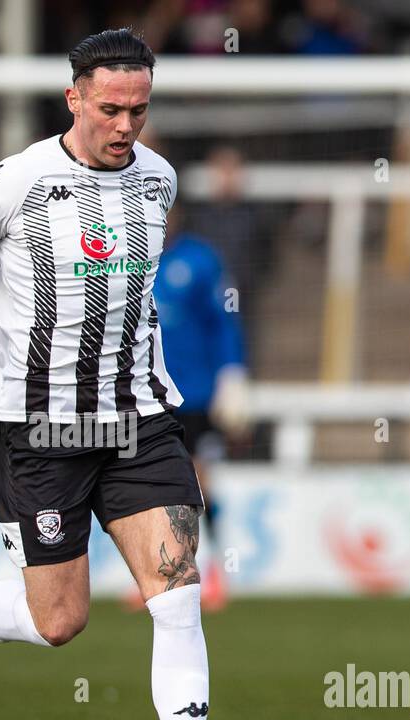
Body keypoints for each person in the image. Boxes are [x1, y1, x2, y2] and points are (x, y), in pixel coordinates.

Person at [0, 28, 237, 720]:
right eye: (111, 108)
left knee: (178, 591)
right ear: (74, 98)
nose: (126, 126)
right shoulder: (16, 180)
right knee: (60, 622)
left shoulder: (159, 180)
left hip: (140, 420)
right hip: (38, 429)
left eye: (140, 110)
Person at [150, 202, 250, 611]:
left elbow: (225, 319)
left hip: (195, 392)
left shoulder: (200, 260)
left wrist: (233, 371)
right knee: (154, 488)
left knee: (197, 483)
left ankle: (212, 572)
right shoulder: (132, 258)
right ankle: (160, 573)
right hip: (148, 393)